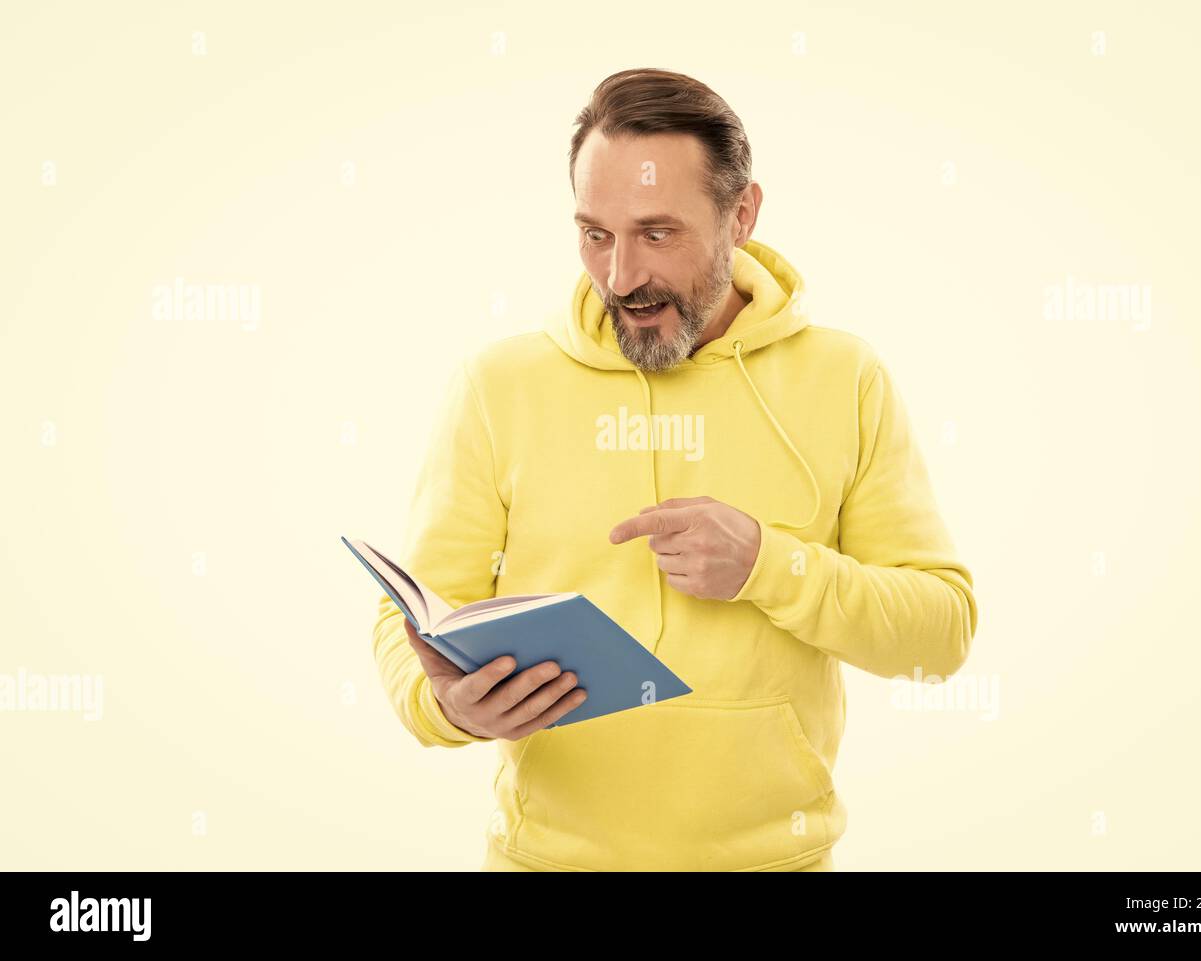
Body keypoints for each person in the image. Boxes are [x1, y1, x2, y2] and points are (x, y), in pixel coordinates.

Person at [371, 67, 977, 872]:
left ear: (743, 215)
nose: (622, 277)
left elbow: (938, 636)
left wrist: (771, 562)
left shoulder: (846, 378)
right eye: (596, 234)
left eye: (658, 233)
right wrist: (444, 706)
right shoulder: (498, 386)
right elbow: (412, 620)